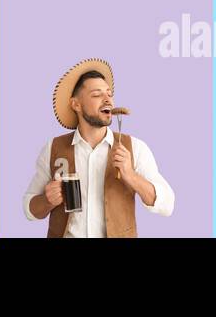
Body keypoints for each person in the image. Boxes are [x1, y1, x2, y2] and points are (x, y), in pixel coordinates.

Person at [24, 58, 174, 237]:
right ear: (76, 104)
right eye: (97, 95)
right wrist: (47, 200)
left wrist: (130, 175)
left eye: (109, 94)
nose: (108, 100)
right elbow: (29, 210)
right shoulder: (53, 148)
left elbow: (167, 205)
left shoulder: (135, 148)